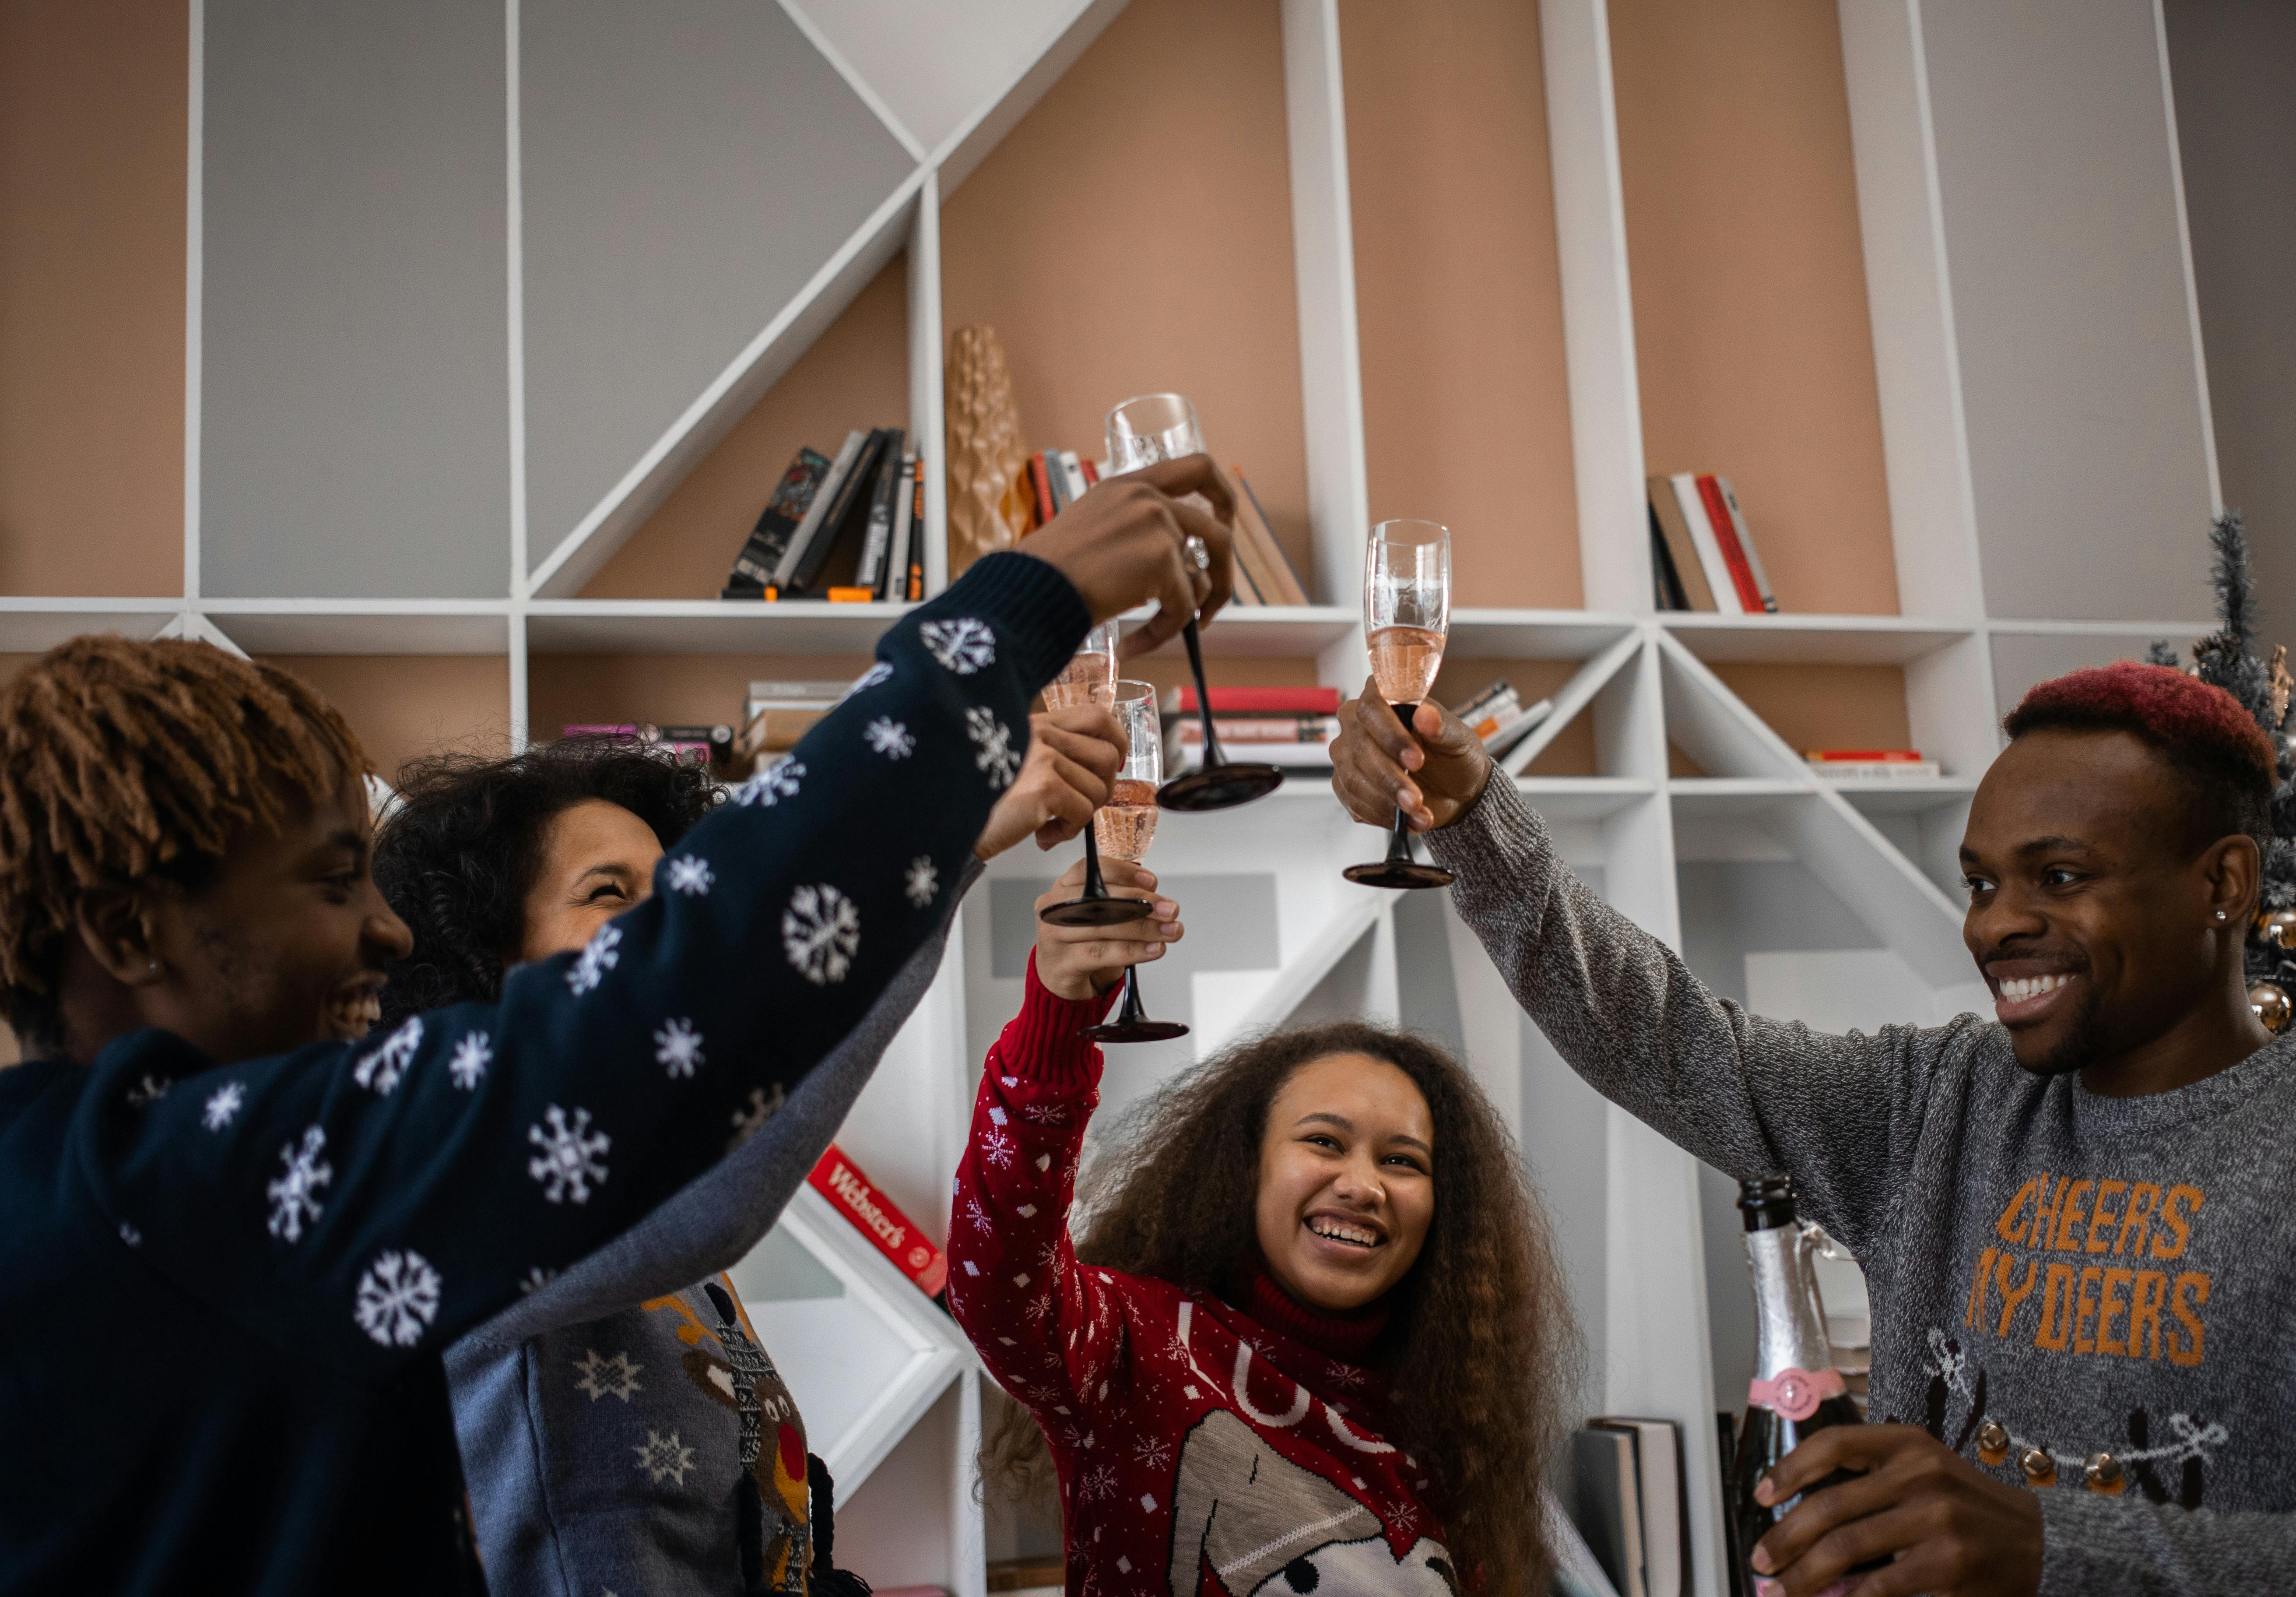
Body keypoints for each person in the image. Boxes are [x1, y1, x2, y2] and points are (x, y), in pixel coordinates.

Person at [0, 453, 1235, 1595]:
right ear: (129, 934)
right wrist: (1020, 608)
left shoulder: (138, 1193)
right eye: (332, 883)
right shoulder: (183, 1183)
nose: (381, 935)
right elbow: (669, 1023)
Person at [1330, 658, 2296, 1596]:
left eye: (2059, 877)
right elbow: (1658, 1036)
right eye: (1982, 882)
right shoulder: (1939, 1099)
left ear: (2225, 885)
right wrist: (1472, 820)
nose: (1996, 924)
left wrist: (2045, 1550)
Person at [372, 710, 1127, 1595]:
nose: (672, 932)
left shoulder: (668, 1236)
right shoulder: (463, 1195)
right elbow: (727, 1175)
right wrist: (949, 827)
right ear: (486, 963)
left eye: (683, 898)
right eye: (610, 892)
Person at [949, 858, 1578, 1597]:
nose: (1362, 1185)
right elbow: (999, 1281)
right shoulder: (1136, 1345)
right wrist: (1055, 1022)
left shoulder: (1455, 1419)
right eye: (1323, 1142)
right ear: (1244, 1171)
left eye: (1403, 1160)